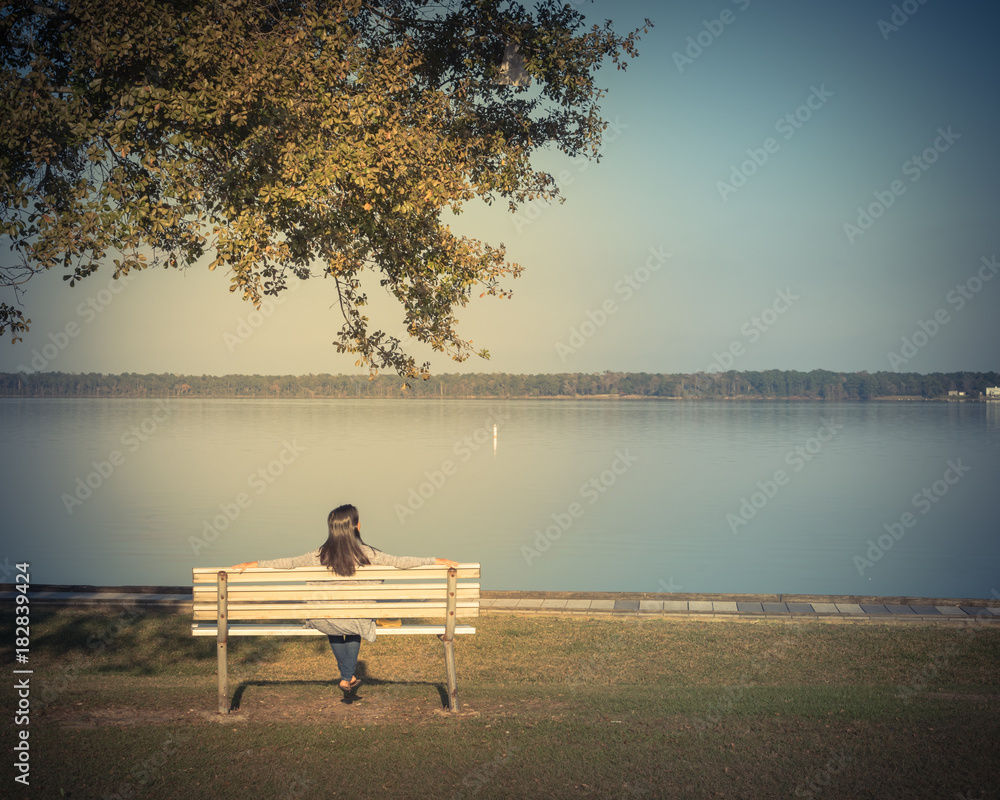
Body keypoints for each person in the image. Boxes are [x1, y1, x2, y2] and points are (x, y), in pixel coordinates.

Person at [230, 503, 458, 697]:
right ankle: (347, 677)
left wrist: (254, 564)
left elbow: (288, 562)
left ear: (332, 529)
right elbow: (401, 561)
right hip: (356, 617)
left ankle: (346, 677)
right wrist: (436, 560)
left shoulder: (319, 554)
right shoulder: (368, 553)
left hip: (324, 618)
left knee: (334, 623)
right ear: (356, 527)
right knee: (354, 622)